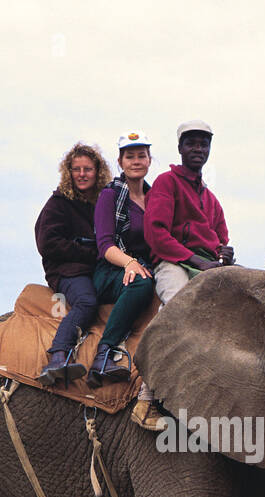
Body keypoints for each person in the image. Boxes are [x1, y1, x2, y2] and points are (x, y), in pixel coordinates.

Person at [34, 142, 111, 385]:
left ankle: (110, 355)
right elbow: (48, 243)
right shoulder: (58, 203)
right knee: (87, 301)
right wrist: (90, 251)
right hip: (67, 271)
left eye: (87, 169)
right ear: (69, 172)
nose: (81, 174)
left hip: (95, 269)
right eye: (76, 169)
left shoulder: (102, 202)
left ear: (97, 172)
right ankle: (59, 355)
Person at [86, 131, 157, 390]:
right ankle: (104, 354)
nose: (136, 161)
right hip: (110, 269)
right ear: (120, 162)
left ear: (150, 160)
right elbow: (104, 244)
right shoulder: (110, 195)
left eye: (141, 155)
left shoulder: (155, 198)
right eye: (130, 156)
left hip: (144, 264)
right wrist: (128, 263)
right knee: (141, 284)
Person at [143, 120, 234, 307]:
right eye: (191, 144)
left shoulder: (211, 199)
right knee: (179, 307)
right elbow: (156, 233)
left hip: (207, 263)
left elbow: (221, 238)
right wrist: (197, 261)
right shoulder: (166, 182)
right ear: (180, 148)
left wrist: (224, 253)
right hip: (172, 263)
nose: (198, 149)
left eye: (203, 144)